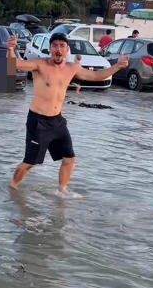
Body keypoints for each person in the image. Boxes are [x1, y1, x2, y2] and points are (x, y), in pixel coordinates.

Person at [7, 32, 128, 193]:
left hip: (57, 121)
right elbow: (14, 66)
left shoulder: (72, 68)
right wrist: (10, 49)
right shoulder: (39, 64)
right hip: (38, 122)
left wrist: (118, 66)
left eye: (61, 46)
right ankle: (12, 188)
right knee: (30, 162)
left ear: (66, 49)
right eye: (55, 45)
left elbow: (96, 76)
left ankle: (62, 191)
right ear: (50, 48)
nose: (58, 49)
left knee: (70, 159)